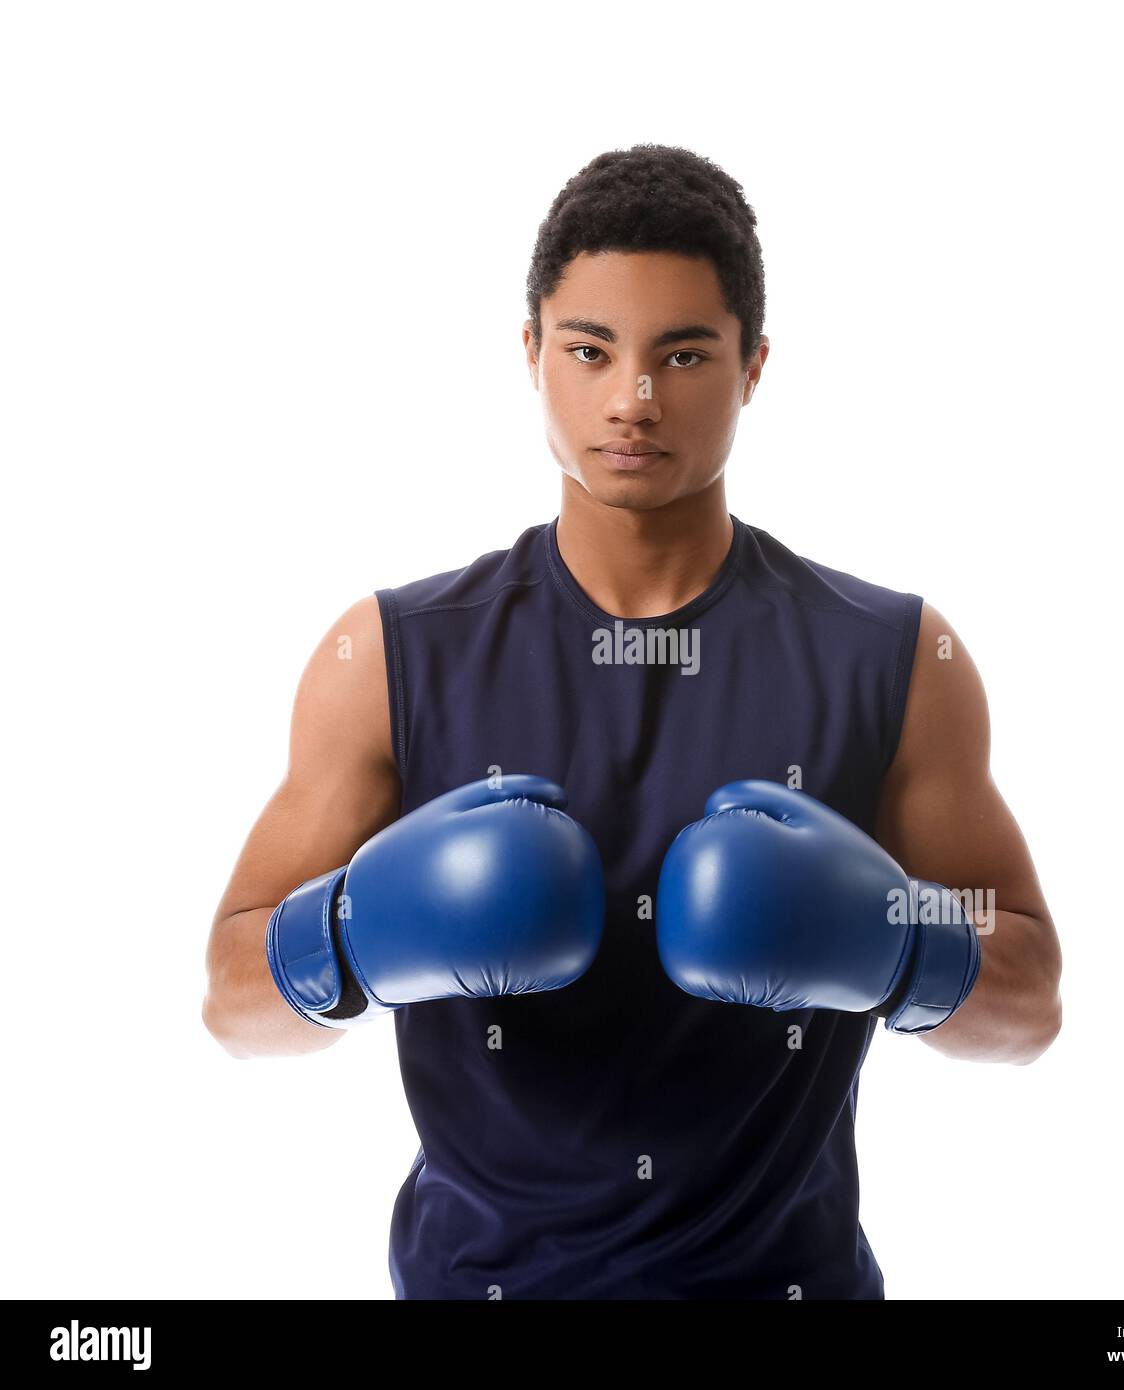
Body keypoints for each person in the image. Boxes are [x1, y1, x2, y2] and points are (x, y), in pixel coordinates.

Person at [203, 143, 1062, 1300]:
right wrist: (359, 934)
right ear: (530, 354)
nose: (631, 400)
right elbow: (232, 1005)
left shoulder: (893, 655)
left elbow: (1028, 1012)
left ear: (753, 366)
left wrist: (895, 938)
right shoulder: (394, 655)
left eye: (684, 354)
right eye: (589, 350)